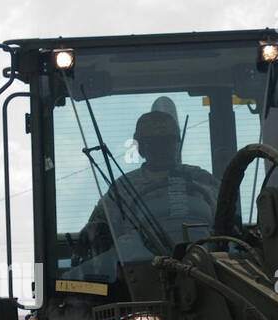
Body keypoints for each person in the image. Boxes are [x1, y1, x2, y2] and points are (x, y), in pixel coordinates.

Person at [72, 106, 219, 263]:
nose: (161, 148)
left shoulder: (201, 179)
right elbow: (99, 224)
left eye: (167, 141)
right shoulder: (123, 188)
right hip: (139, 272)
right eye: (153, 142)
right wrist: (94, 231)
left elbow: (226, 216)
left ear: (177, 142)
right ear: (140, 146)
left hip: (203, 264)